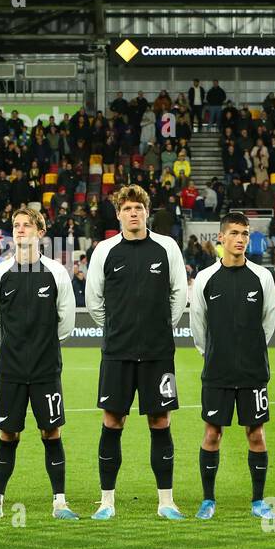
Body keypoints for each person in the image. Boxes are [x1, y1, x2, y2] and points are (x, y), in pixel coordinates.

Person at [85, 185, 188, 520]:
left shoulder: (167, 247)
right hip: (117, 352)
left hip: (158, 354)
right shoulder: (105, 250)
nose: (133, 213)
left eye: (138, 208)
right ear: (118, 214)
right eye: (127, 208)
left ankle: (166, 501)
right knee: (113, 420)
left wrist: (156, 328)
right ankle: (107, 501)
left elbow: (178, 296)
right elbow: (95, 302)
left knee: (160, 421)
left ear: (147, 212)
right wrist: (119, 330)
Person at [0, 207, 79, 521]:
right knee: (8, 434)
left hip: (46, 369)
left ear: (41, 232)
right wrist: (17, 348)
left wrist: (41, 348)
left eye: (27, 225)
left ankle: (60, 503)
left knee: (51, 432)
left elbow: (66, 323)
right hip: (10, 369)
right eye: (16, 226)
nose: (20, 230)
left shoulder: (56, 273)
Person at [188, 212, 275, 520]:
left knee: (256, 434)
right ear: (221, 238)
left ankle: (257, 501)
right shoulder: (205, 279)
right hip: (217, 371)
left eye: (245, 234)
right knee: (212, 433)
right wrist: (213, 354)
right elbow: (197, 327)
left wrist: (250, 352)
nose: (241, 239)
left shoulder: (262, 277)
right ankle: (208, 500)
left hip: (253, 372)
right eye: (235, 233)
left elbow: (268, 324)